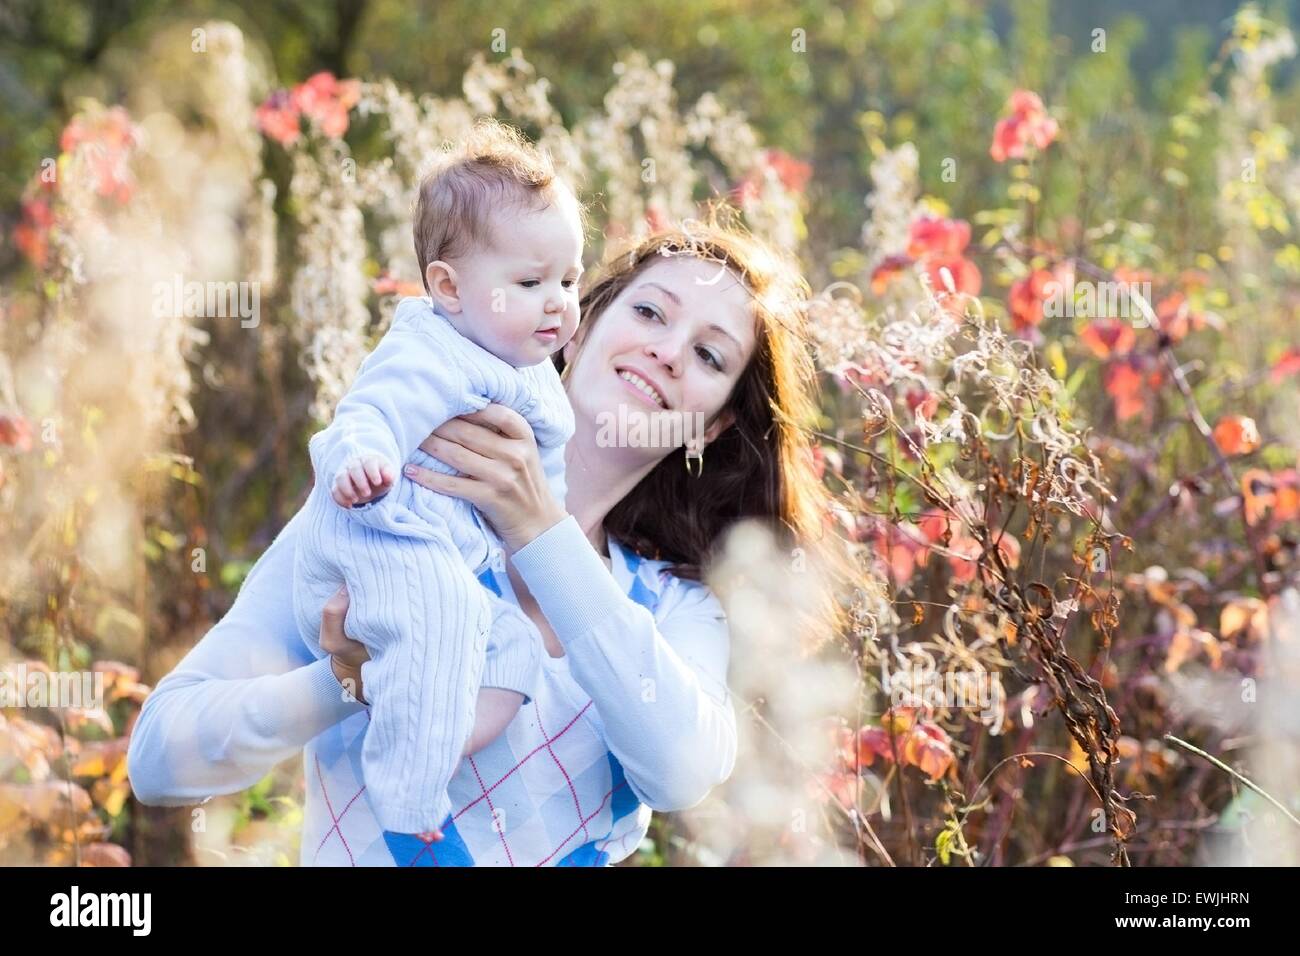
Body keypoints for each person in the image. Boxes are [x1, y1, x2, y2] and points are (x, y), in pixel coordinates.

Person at [127, 209, 837, 866]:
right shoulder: (388, 517)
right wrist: (355, 681)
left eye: (711, 357)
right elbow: (160, 757)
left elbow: (681, 770)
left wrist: (539, 528)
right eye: (650, 312)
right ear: (576, 326)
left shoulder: (674, 608)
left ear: (709, 427)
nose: (670, 352)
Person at [291, 118, 583, 835]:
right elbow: (363, 416)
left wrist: (544, 545)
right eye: (530, 281)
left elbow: (548, 491)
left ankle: (428, 741)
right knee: (445, 614)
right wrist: (365, 461)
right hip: (382, 536)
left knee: (519, 649)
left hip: (453, 561)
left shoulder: (536, 376)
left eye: (570, 279)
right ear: (448, 288)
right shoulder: (432, 349)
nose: (558, 301)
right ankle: (407, 801)